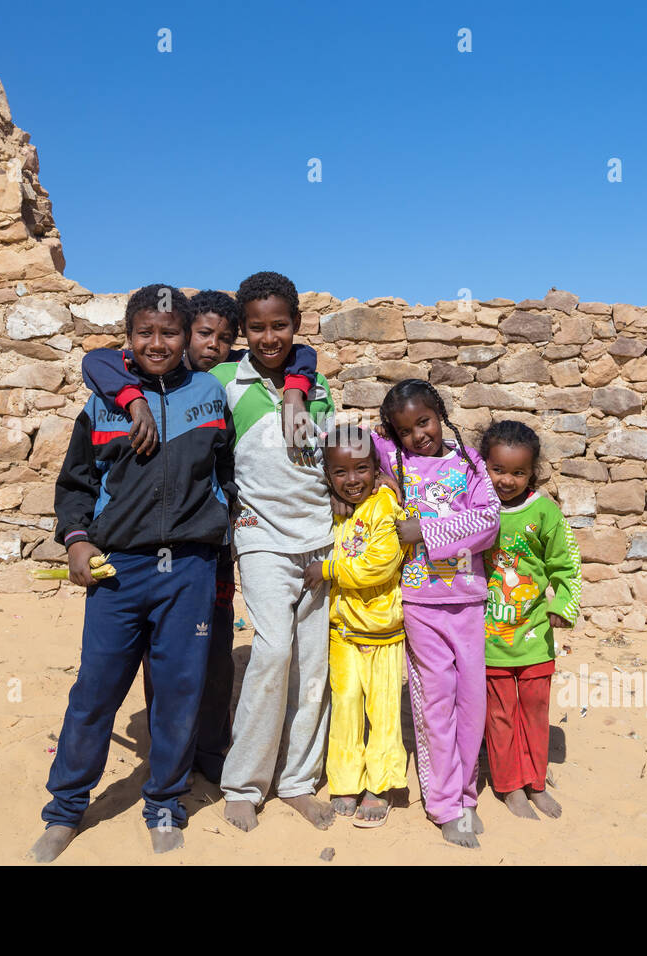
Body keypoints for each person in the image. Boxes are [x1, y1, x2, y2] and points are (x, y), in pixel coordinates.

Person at [28, 284, 234, 861]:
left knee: (177, 690)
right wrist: (75, 540)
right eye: (145, 332)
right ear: (128, 337)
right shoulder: (102, 404)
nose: (158, 342)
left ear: (187, 337)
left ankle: (165, 800)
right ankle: (66, 808)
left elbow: (226, 473)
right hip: (117, 572)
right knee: (95, 689)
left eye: (170, 332)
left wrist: (221, 529)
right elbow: (75, 485)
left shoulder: (209, 396)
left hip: (190, 570)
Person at [81, 290, 317, 784]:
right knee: (155, 659)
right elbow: (97, 359)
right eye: (203, 334)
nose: (212, 345)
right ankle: (173, 758)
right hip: (143, 555)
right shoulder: (133, 379)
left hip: (208, 552)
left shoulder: (221, 380)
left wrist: (294, 388)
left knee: (207, 655)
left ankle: (211, 753)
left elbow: (300, 354)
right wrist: (132, 399)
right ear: (187, 333)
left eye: (224, 338)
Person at [212, 271, 338, 833]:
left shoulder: (318, 383)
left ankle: (298, 781)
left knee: (314, 664)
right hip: (261, 537)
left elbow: (335, 455)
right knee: (272, 653)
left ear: (297, 326)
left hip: (320, 538)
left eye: (280, 326)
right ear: (243, 329)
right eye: (257, 327)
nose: (270, 337)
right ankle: (243, 782)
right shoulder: (222, 380)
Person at [372, 379, 499, 847]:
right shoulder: (396, 458)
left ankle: (468, 792)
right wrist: (380, 468)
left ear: (440, 413)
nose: (417, 435)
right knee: (435, 704)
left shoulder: (469, 463)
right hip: (421, 603)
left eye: (423, 421)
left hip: (467, 602)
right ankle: (446, 803)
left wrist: (423, 529)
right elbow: (344, 440)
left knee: (472, 703)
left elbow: (488, 521)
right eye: (404, 429)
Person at [302, 426, 408, 827]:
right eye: (340, 473)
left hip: (383, 634)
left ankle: (380, 785)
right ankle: (344, 779)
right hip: (343, 632)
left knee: (382, 712)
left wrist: (328, 569)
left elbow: (378, 564)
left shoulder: (386, 507)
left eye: (361, 469)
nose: (352, 481)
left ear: (376, 469)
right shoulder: (333, 508)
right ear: (327, 475)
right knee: (344, 706)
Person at [480, 420, 581, 820]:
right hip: (491, 641)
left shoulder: (544, 512)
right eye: (498, 470)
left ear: (532, 472)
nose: (507, 480)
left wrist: (562, 607)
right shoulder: (474, 508)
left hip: (535, 636)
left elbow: (567, 564)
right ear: (483, 465)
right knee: (500, 715)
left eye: (518, 472)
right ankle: (509, 787)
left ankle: (536, 782)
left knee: (535, 712)